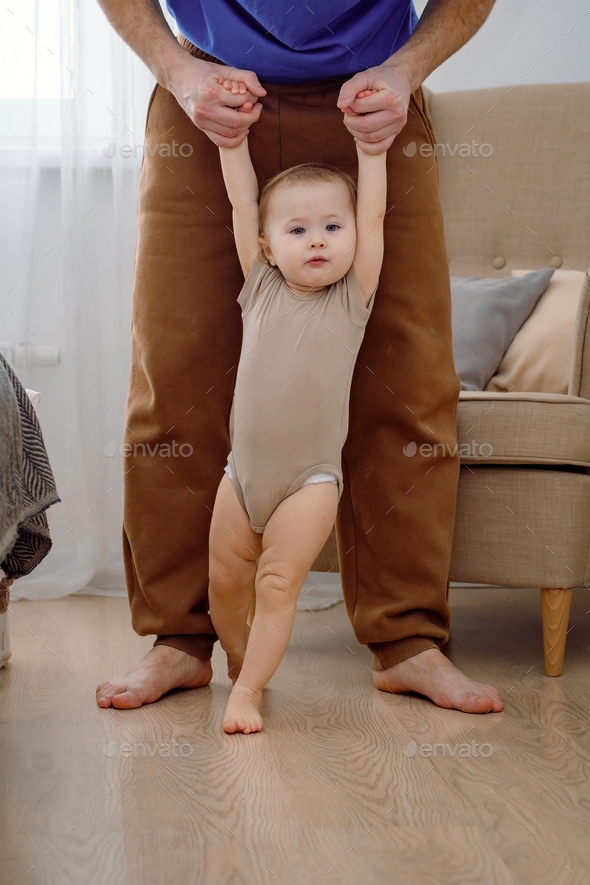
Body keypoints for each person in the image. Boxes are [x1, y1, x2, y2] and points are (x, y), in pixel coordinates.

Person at [95, 0, 504, 715]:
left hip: (372, 92)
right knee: (177, 368)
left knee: (409, 381)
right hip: (206, 94)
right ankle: (178, 638)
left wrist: (406, 70)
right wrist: (178, 72)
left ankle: (408, 639)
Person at [209, 82, 385, 733]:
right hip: (240, 475)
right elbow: (241, 199)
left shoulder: (351, 298)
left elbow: (373, 218)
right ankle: (237, 655)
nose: (318, 240)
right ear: (267, 244)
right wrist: (232, 141)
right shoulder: (260, 287)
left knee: (277, 583)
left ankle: (248, 691)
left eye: (331, 227)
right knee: (225, 585)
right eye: (299, 229)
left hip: (310, 478)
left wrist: (373, 150)